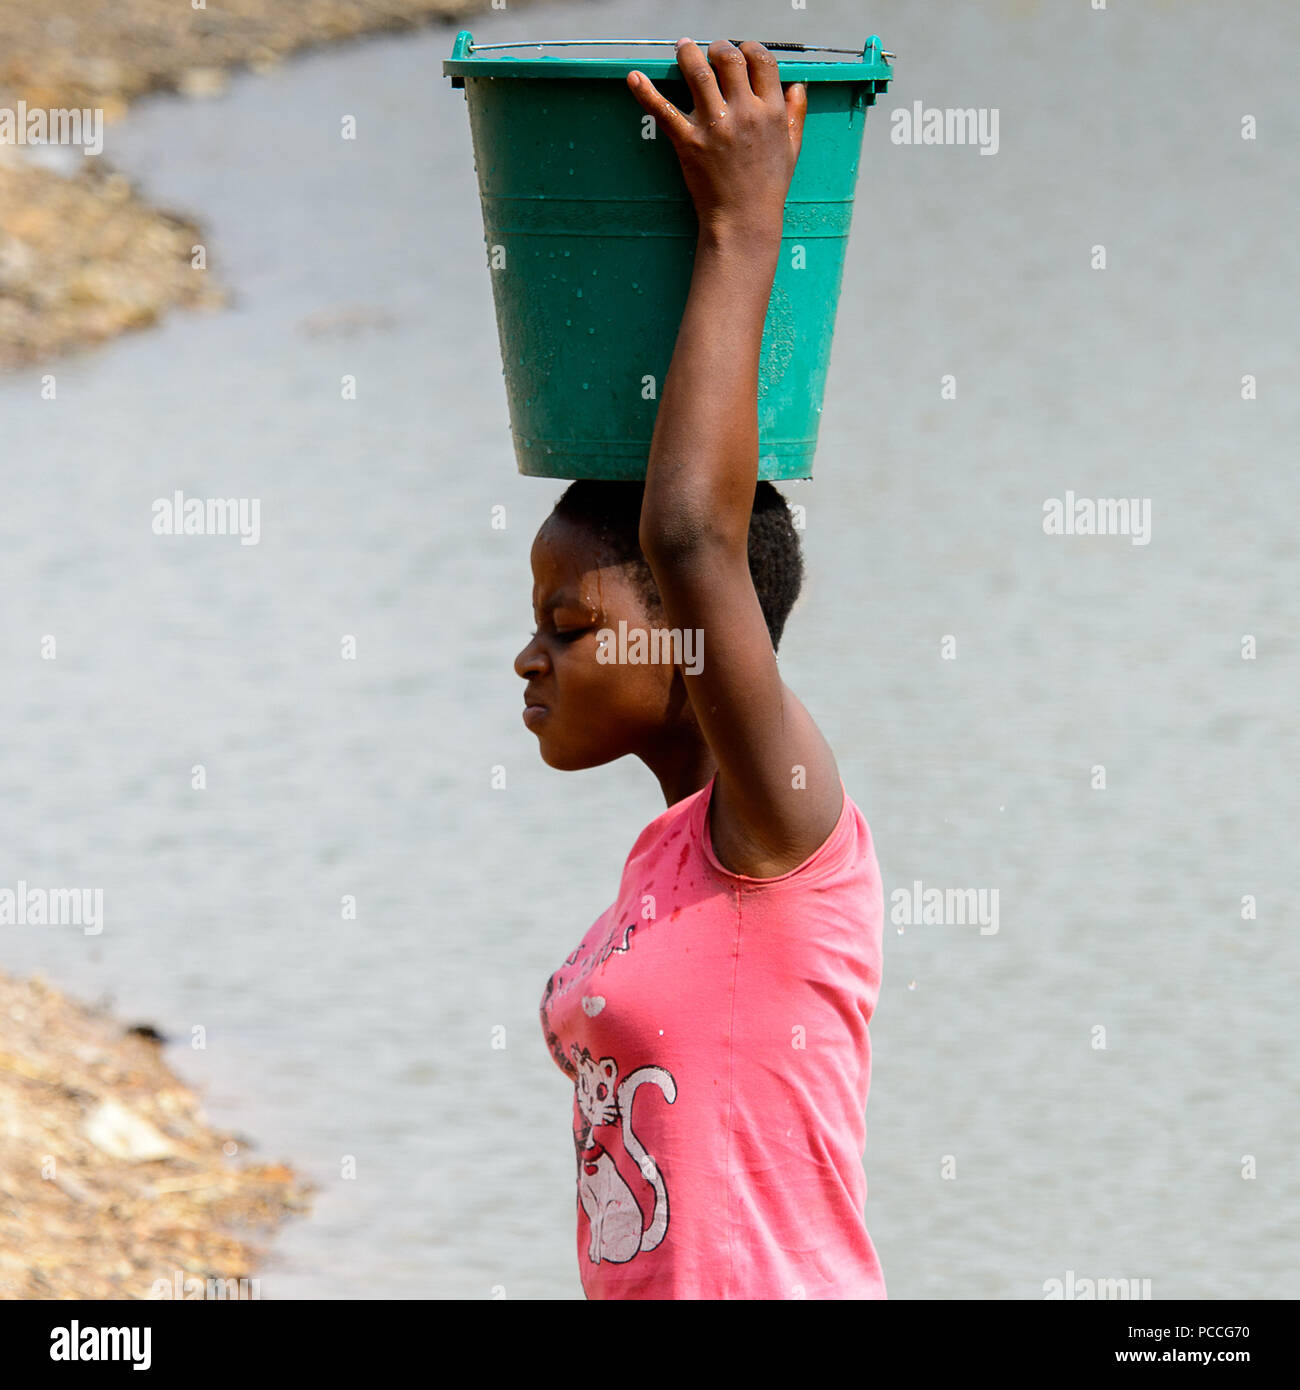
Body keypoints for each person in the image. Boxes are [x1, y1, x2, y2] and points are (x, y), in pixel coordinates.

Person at [516, 38, 886, 1299]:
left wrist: (740, 224)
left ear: (687, 638)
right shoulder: (663, 864)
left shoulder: (786, 830)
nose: (527, 657)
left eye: (568, 627)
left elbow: (689, 534)